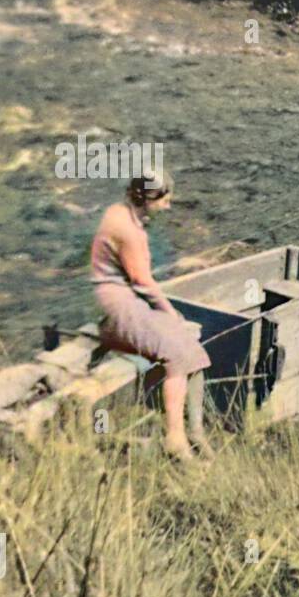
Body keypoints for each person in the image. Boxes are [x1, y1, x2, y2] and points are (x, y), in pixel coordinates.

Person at [90, 169, 211, 461]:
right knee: (175, 353)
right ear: (148, 199)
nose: (167, 206)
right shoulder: (129, 231)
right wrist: (171, 314)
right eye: (164, 200)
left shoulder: (121, 212)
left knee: (192, 346)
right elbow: (143, 282)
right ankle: (175, 437)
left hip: (120, 301)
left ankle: (195, 431)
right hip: (116, 308)